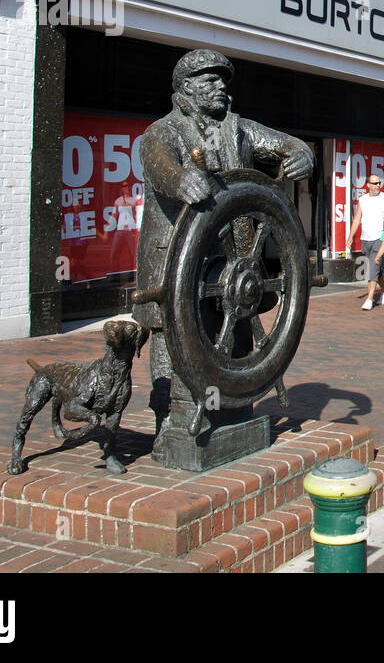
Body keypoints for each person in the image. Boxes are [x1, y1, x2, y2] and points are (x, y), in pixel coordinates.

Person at [134, 48, 313, 460]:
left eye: (222, 81)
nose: (220, 87)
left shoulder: (239, 130)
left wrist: (302, 154)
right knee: (173, 340)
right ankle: (173, 429)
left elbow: (288, 146)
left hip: (230, 268)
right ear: (186, 89)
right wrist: (181, 180)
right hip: (174, 262)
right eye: (209, 81)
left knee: (229, 340)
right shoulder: (165, 131)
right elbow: (157, 162)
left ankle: (234, 413)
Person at [348, 171, 384, 311]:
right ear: (368, 185)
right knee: (374, 269)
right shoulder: (363, 199)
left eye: (379, 183)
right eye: (375, 183)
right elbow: (357, 219)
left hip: (380, 238)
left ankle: (370, 298)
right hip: (365, 238)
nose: (378, 185)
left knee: (372, 267)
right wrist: (351, 236)